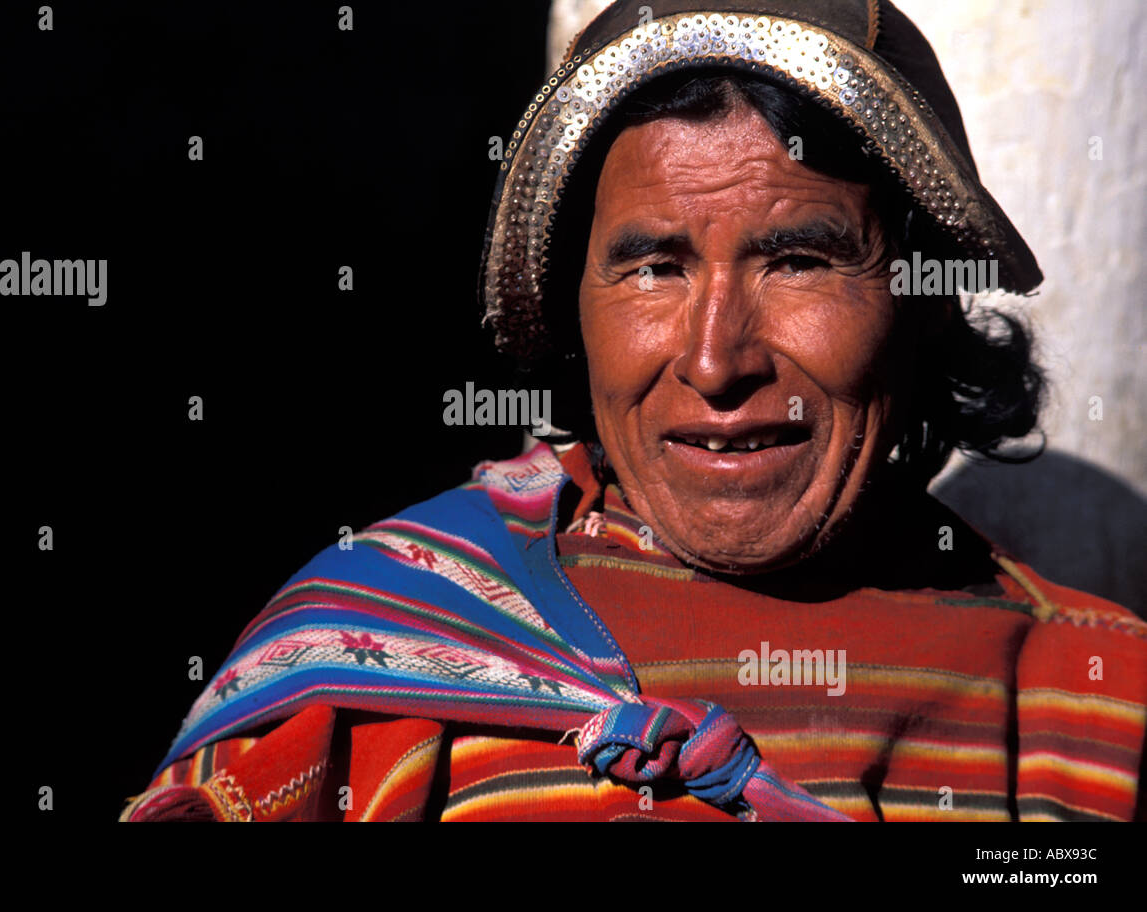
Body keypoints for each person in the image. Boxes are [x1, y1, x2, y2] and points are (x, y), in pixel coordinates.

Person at [123, 0, 1146, 822]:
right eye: (653, 267)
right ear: (573, 310)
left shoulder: (1093, 706)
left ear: (920, 301)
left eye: (796, 261)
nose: (715, 360)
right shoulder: (368, 674)